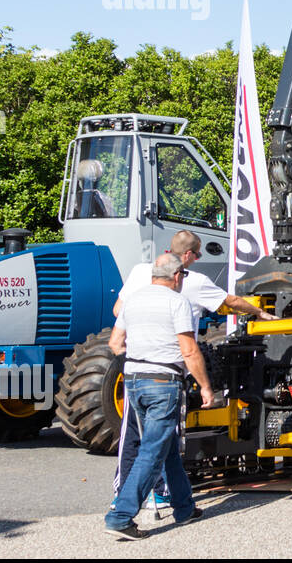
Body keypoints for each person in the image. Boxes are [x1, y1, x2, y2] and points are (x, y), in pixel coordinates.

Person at [110, 230, 274, 506]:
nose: (196, 260)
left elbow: (118, 312)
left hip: (135, 370)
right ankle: (150, 496)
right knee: (165, 438)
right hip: (168, 371)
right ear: (187, 256)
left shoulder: (140, 271)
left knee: (133, 435)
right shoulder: (192, 283)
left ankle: (128, 492)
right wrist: (258, 312)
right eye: (197, 255)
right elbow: (228, 304)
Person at [104, 253, 218, 540]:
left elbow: (115, 343)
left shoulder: (133, 300)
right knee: (153, 450)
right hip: (163, 382)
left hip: (133, 380)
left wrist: (140, 357)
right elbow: (189, 350)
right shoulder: (176, 302)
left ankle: (184, 508)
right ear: (177, 275)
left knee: (165, 448)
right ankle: (120, 515)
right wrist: (205, 386)